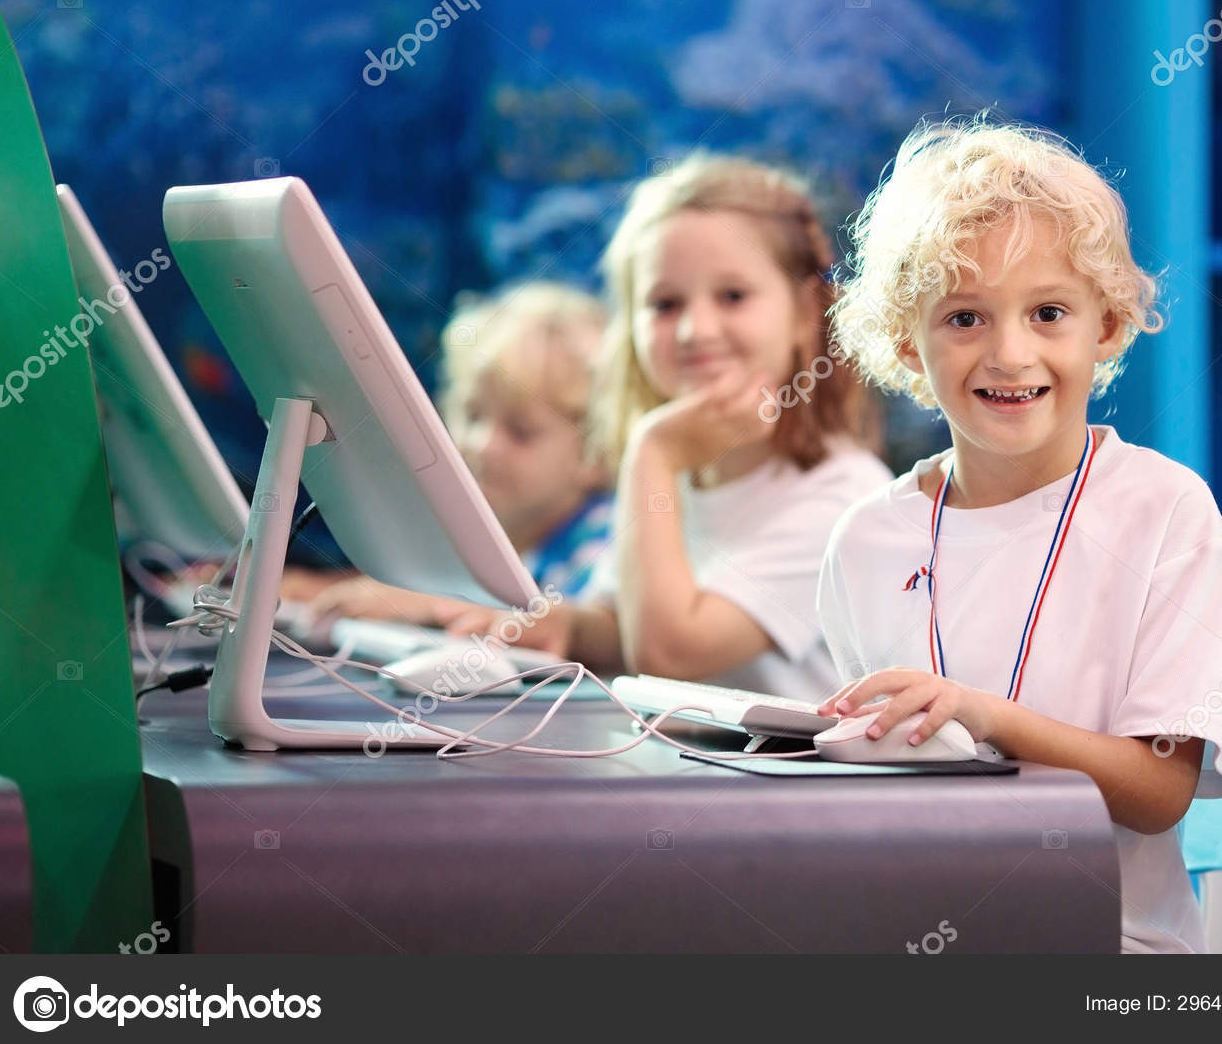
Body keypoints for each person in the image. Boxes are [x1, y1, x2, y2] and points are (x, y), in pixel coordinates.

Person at [813, 117, 1222, 953]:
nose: (1010, 353)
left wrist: (985, 714)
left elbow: (1159, 790)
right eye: (965, 317)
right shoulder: (865, 539)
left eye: (1048, 312)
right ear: (908, 339)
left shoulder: (1166, 512)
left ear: (1109, 325)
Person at [444, 153, 891, 700]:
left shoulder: (843, 497)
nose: (695, 330)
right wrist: (569, 627)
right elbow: (625, 628)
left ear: (802, 315)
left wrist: (653, 453)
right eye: (664, 303)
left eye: (732, 296)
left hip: (800, 784)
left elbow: (669, 655)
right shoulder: (681, 469)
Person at [305, 281, 613, 620]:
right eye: (472, 414)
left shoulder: (604, 546)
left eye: (521, 432)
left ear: (595, 453)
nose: (483, 445)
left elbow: (570, 628)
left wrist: (432, 607)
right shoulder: (480, 529)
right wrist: (318, 592)